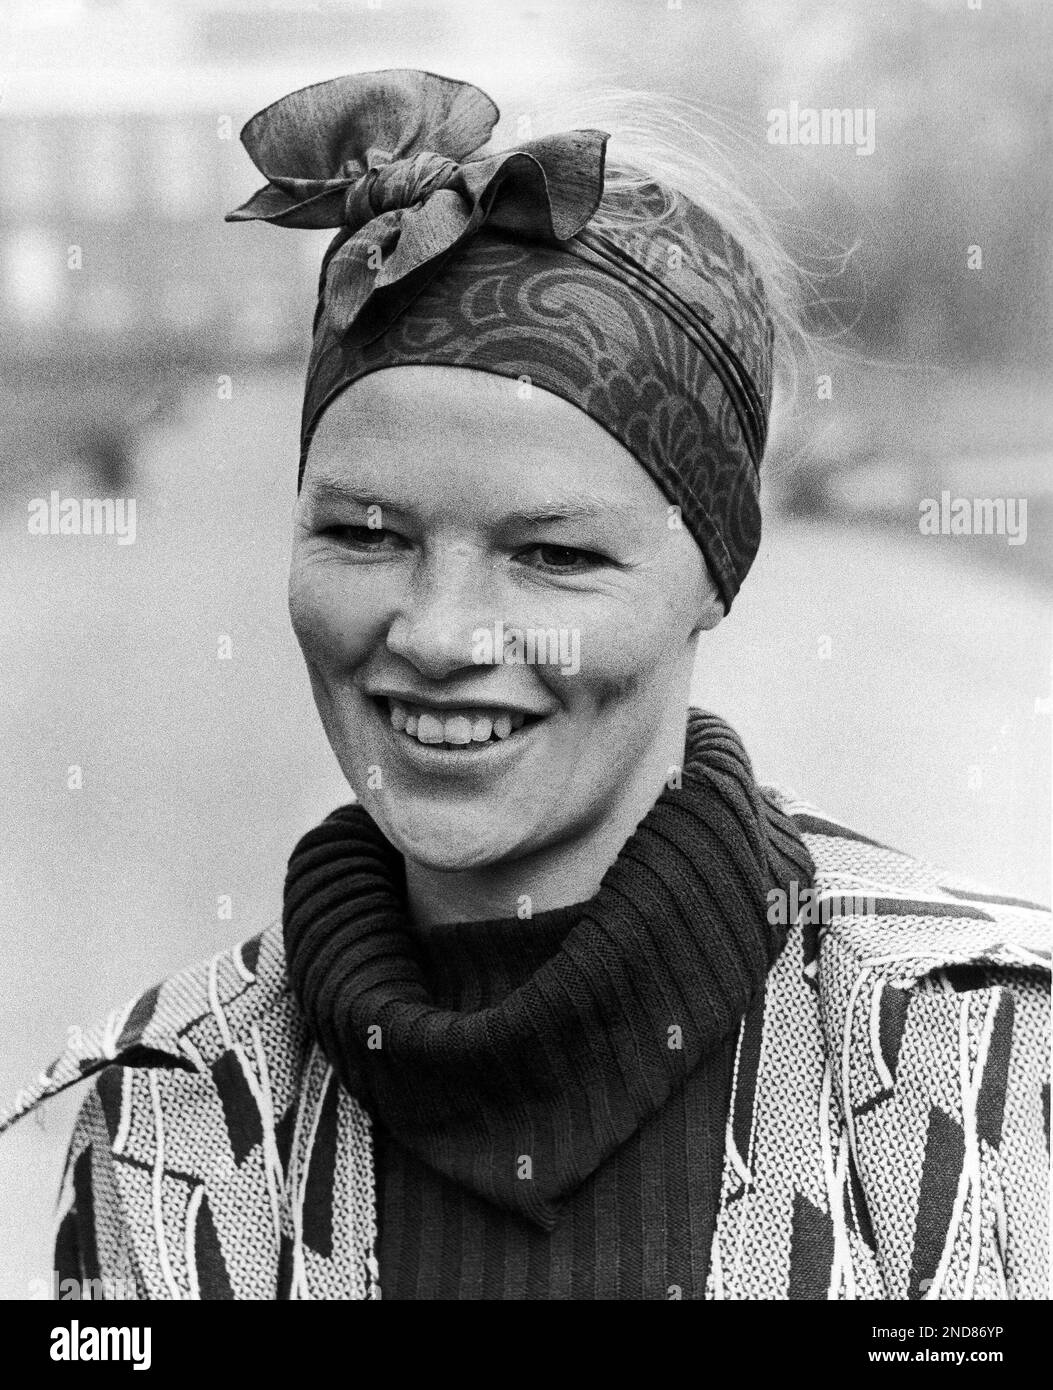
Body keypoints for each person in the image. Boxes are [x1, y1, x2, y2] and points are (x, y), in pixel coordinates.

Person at [2, 68, 1048, 1301]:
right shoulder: (167, 1126)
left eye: (553, 554)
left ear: (715, 571)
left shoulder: (989, 1070)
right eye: (367, 534)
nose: (440, 634)